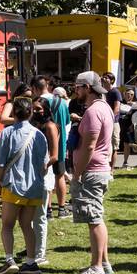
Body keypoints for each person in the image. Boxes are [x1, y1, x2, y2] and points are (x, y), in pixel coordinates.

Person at [0, 97, 49, 274]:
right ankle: (31, 262)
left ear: (14, 113)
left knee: (7, 225)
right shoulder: (39, 135)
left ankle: (9, 260)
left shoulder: (7, 133)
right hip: (34, 187)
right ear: (30, 112)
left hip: (13, 184)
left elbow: (0, 163)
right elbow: (44, 165)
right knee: (27, 225)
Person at [69, 71, 116, 274]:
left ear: (87, 87)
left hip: (92, 171)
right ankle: (104, 263)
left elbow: (89, 145)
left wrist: (77, 173)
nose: (75, 91)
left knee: (94, 219)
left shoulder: (93, 111)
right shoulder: (103, 107)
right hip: (100, 169)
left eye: (78, 87)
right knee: (97, 217)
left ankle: (96, 267)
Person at [31, 96, 63, 263]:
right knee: (29, 217)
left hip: (44, 174)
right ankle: (32, 248)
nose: (35, 112)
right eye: (33, 109)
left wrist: (42, 168)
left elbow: (55, 156)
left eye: (38, 109)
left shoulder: (50, 126)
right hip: (31, 175)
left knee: (40, 216)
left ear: (46, 109)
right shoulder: (32, 125)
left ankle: (40, 253)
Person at [50, 85, 72, 217]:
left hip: (47, 145)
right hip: (60, 145)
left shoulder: (44, 101)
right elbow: (67, 121)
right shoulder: (64, 104)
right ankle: (62, 209)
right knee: (60, 176)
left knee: (46, 178)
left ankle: (48, 211)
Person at [102, 72, 124, 167]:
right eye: (103, 77)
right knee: (104, 145)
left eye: (106, 77)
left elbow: (117, 108)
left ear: (111, 80)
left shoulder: (115, 92)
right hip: (104, 122)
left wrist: (110, 119)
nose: (103, 79)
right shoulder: (102, 92)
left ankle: (112, 170)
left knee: (114, 146)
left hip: (113, 122)